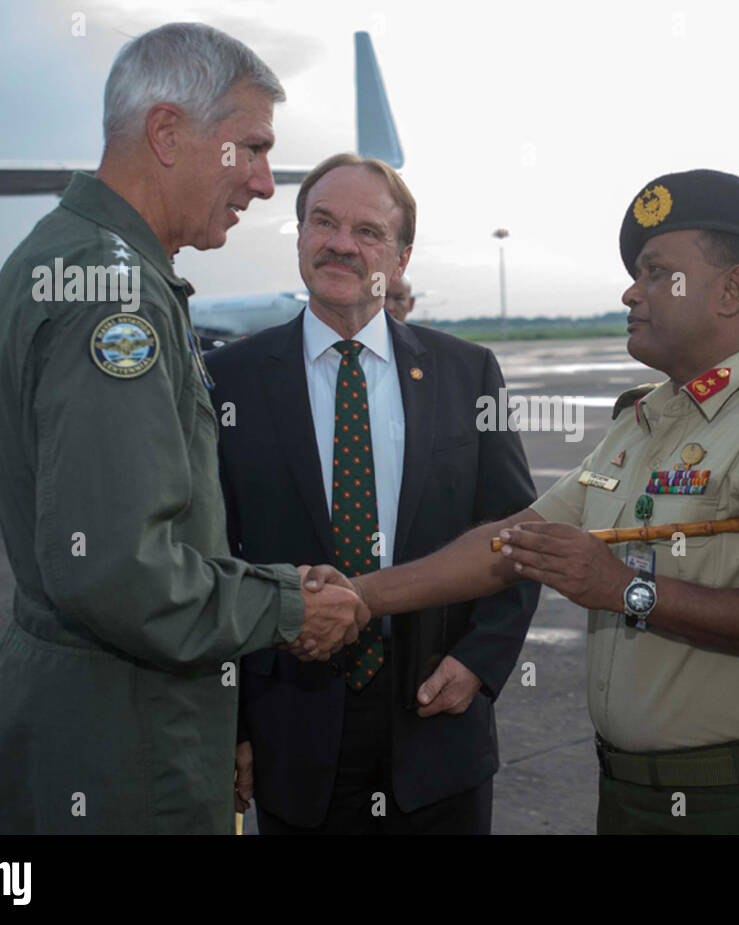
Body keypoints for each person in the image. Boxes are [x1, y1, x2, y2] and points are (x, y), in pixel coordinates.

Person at [308, 168, 739, 834]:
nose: (631, 291)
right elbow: (510, 543)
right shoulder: (642, 424)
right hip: (629, 795)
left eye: (656, 272)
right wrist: (360, 594)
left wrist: (624, 589)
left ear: (732, 290)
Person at [0, 23, 364, 835]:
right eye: (251, 148)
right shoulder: (114, 293)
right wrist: (287, 607)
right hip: (123, 743)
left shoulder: (74, 259)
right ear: (167, 132)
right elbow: (115, 569)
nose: (264, 183)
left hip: (96, 716)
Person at [207, 153, 539, 834]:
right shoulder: (226, 380)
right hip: (290, 731)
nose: (341, 244)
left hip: (437, 715)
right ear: (300, 235)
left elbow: (519, 534)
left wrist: (479, 662)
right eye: (323, 222)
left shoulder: (468, 373)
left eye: (368, 231)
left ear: (401, 256)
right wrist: (231, 723)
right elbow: (208, 557)